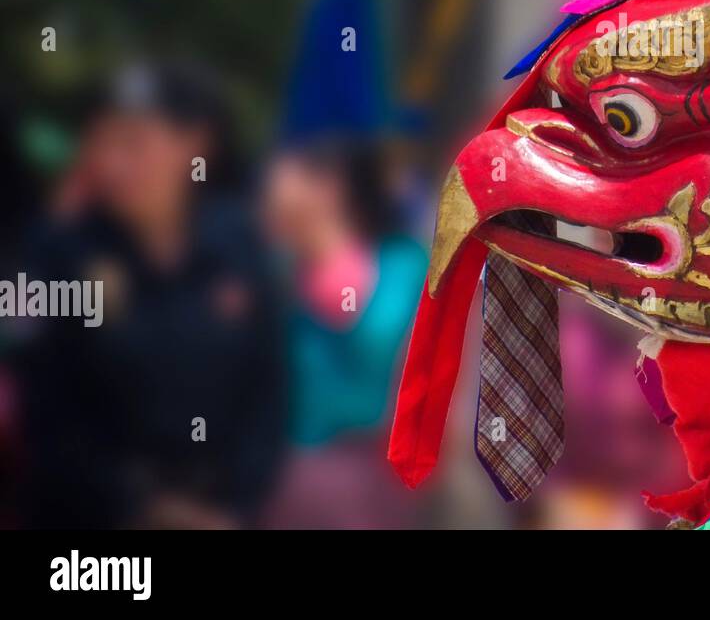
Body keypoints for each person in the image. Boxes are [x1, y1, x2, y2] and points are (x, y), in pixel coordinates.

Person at [15, 61, 285, 529]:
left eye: (135, 142)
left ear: (196, 144)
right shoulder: (60, 256)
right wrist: (141, 504)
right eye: (102, 141)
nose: (114, 162)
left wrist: (236, 509)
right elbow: (45, 409)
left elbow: (270, 390)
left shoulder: (238, 247)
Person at [259, 138, 428, 528]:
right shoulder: (270, 269)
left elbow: (376, 341)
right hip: (279, 481)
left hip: (373, 484)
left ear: (330, 187)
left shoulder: (403, 265)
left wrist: (321, 248)